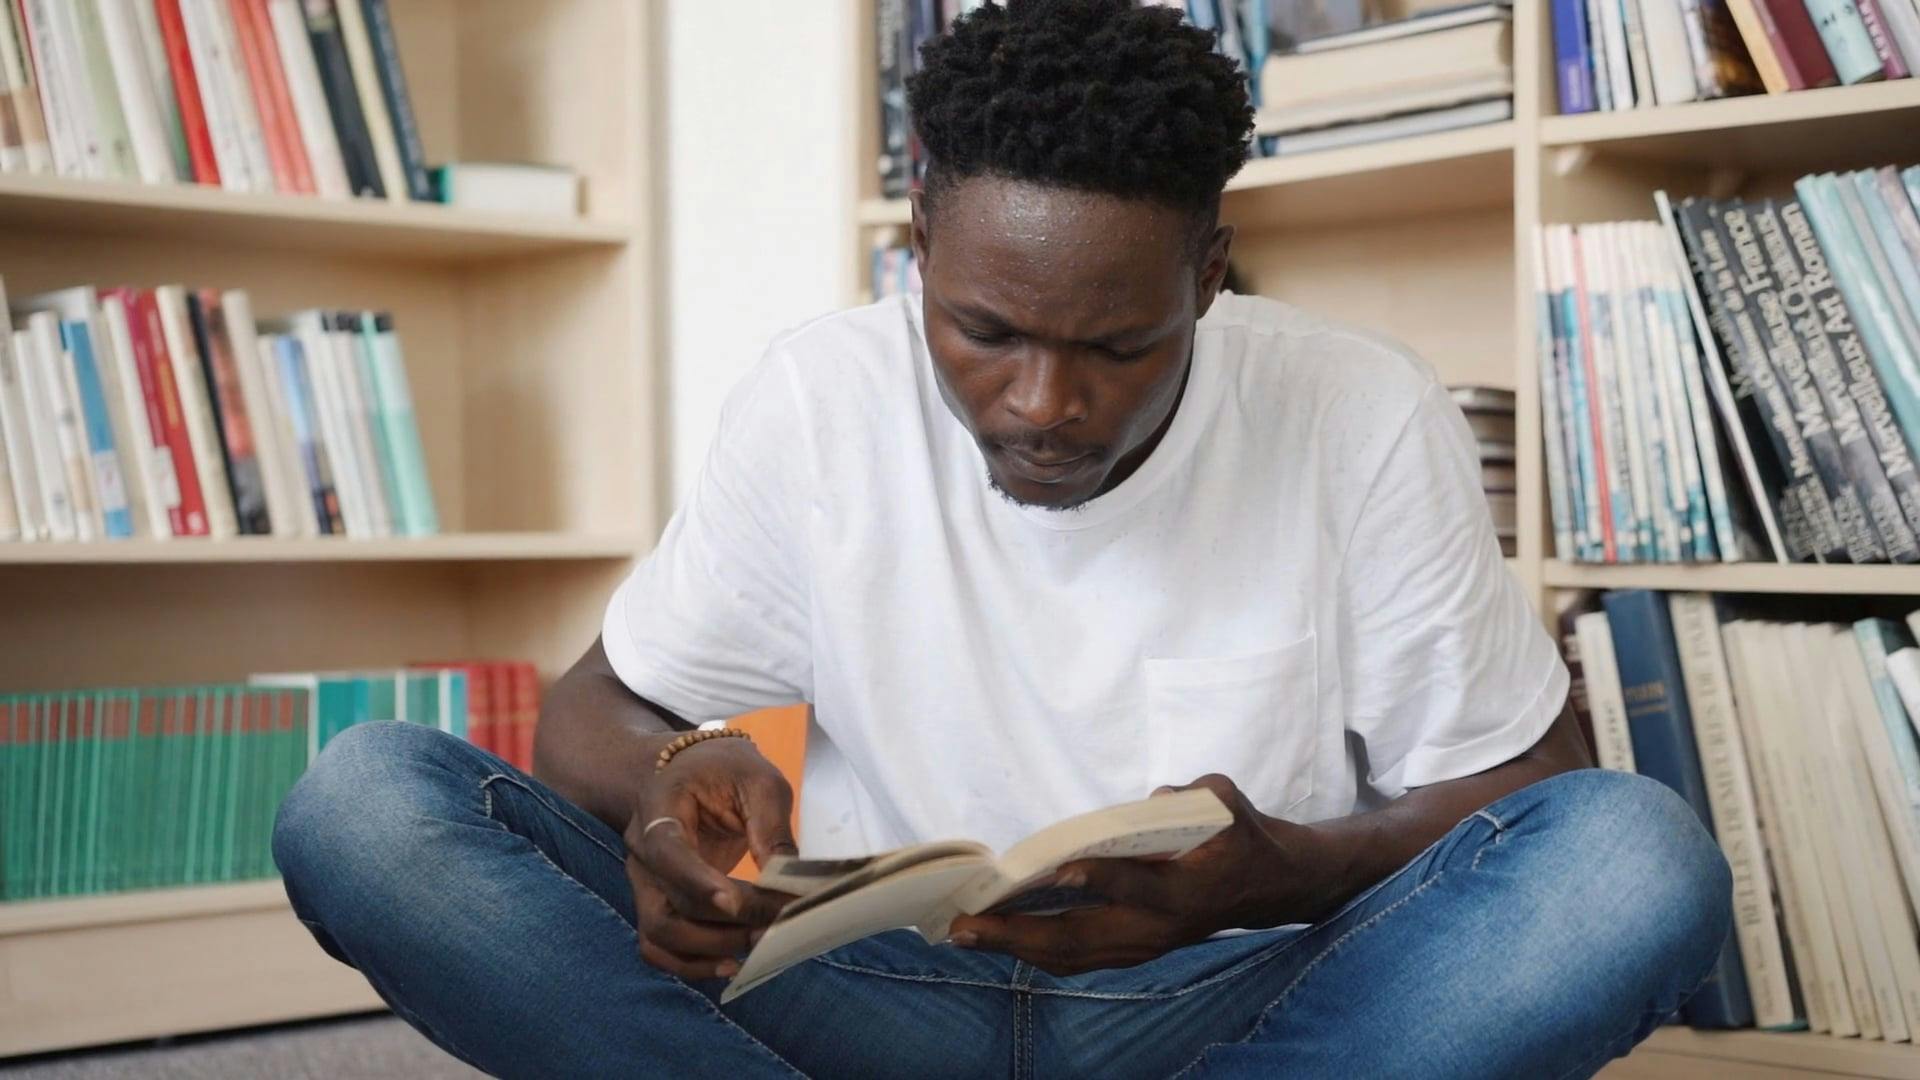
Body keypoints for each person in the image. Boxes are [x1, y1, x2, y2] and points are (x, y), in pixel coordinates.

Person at [273, 1, 1732, 1076]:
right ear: (920, 243)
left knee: (1636, 860)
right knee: (366, 803)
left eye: (1116, 346)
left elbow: (1531, 792)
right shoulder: (816, 396)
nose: (1044, 403)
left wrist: (1275, 867)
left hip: (1234, 1004)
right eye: (984, 331)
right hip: (857, 987)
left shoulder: (1357, 410)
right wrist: (673, 787)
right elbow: (594, 708)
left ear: (1209, 276)